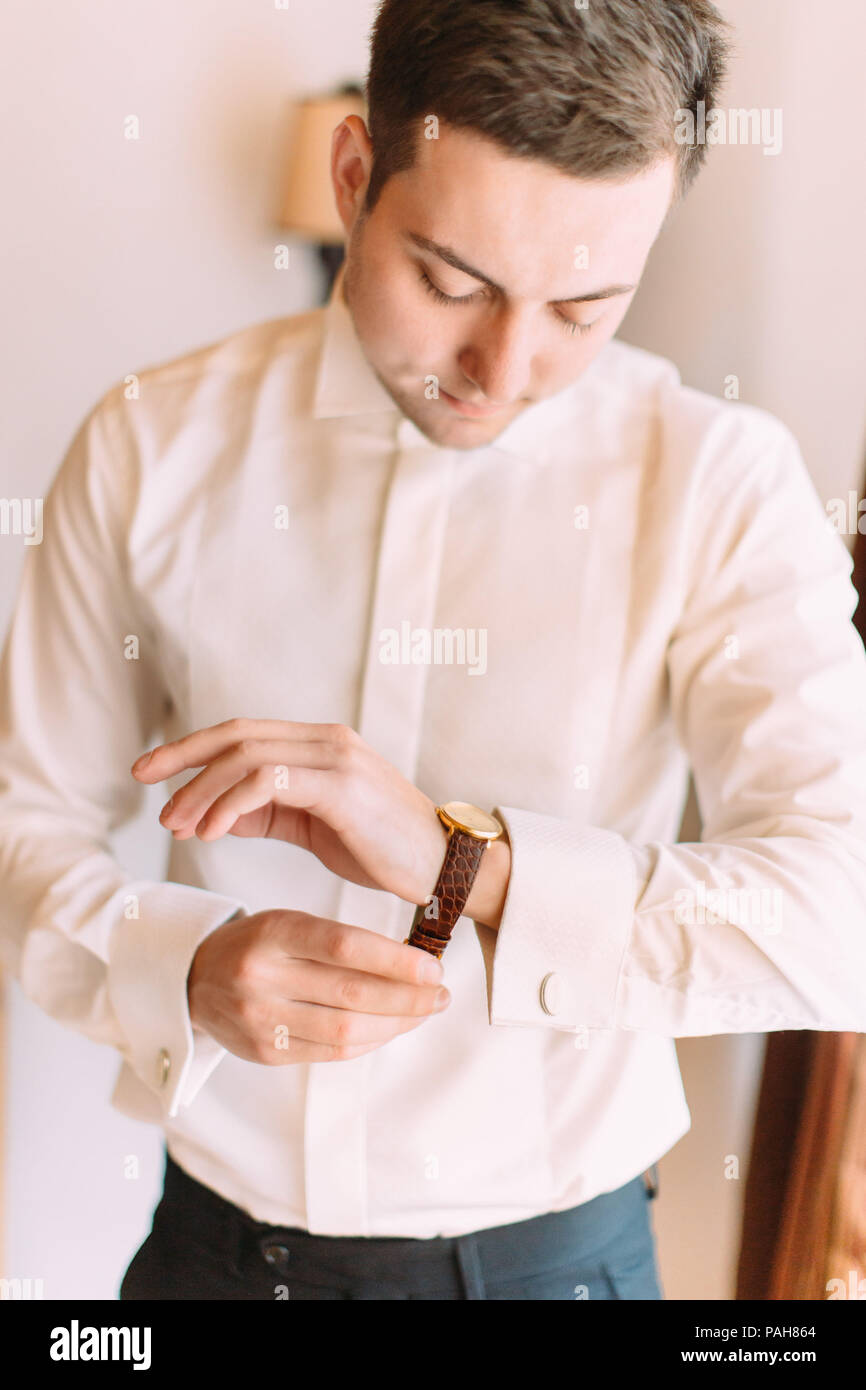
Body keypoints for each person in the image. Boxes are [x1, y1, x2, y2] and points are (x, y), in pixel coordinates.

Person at [2, 0, 866, 1303]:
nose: (502, 366)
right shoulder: (148, 444)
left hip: (555, 1264)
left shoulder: (717, 484)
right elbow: (27, 818)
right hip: (206, 1259)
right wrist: (176, 965)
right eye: (450, 282)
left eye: (583, 305)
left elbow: (836, 907)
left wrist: (467, 864)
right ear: (354, 179)